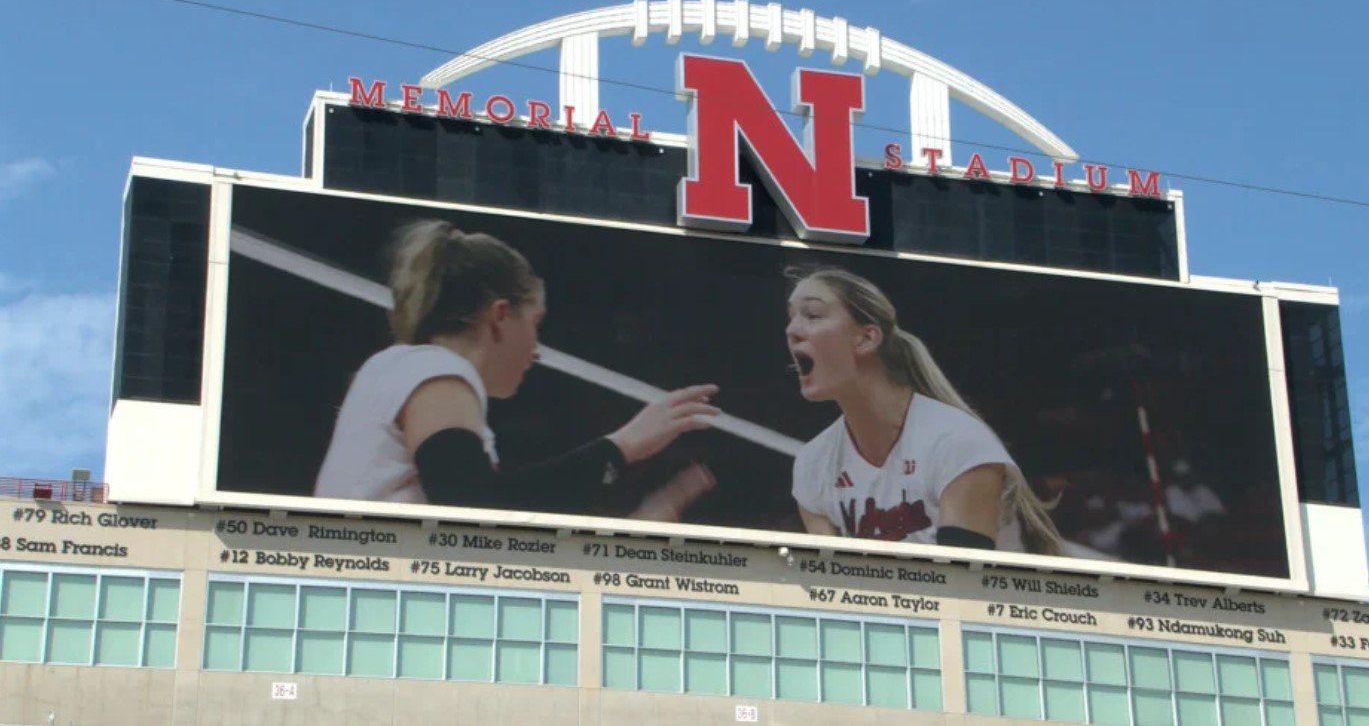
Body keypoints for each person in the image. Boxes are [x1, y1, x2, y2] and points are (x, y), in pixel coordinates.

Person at [314, 219, 720, 522]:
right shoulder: (434, 368)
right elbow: (473, 509)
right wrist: (623, 446)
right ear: (500, 317)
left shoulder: (399, 369)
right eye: (535, 323)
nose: (537, 350)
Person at [784, 267, 1065, 554]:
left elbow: (962, 585)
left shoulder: (956, 441)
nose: (792, 330)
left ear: (866, 338)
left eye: (812, 315)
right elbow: (829, 583)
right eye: (791, 317)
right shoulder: (813, 462)